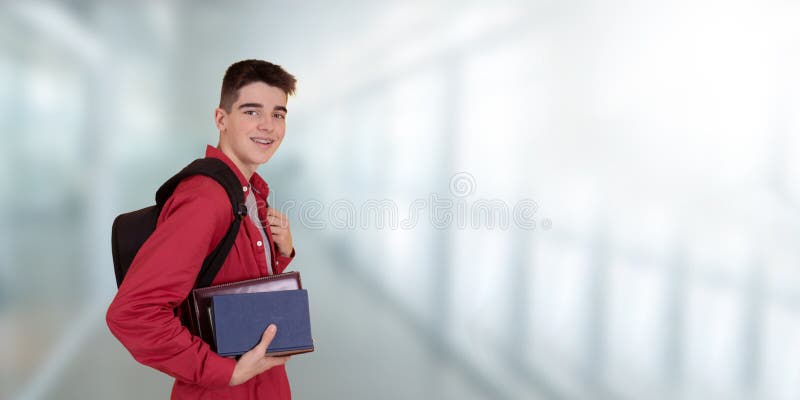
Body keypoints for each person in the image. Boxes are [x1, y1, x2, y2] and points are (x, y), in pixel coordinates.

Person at [107, 59, 298, 399]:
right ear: (221, 119)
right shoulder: (205, 199)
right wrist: (226, 372)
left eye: (278, 114)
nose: (268, 126)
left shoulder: (252, 193)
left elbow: (223, 279)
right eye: (252, 112)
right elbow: (134, 313)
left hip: (264, 385)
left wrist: (279, 255)